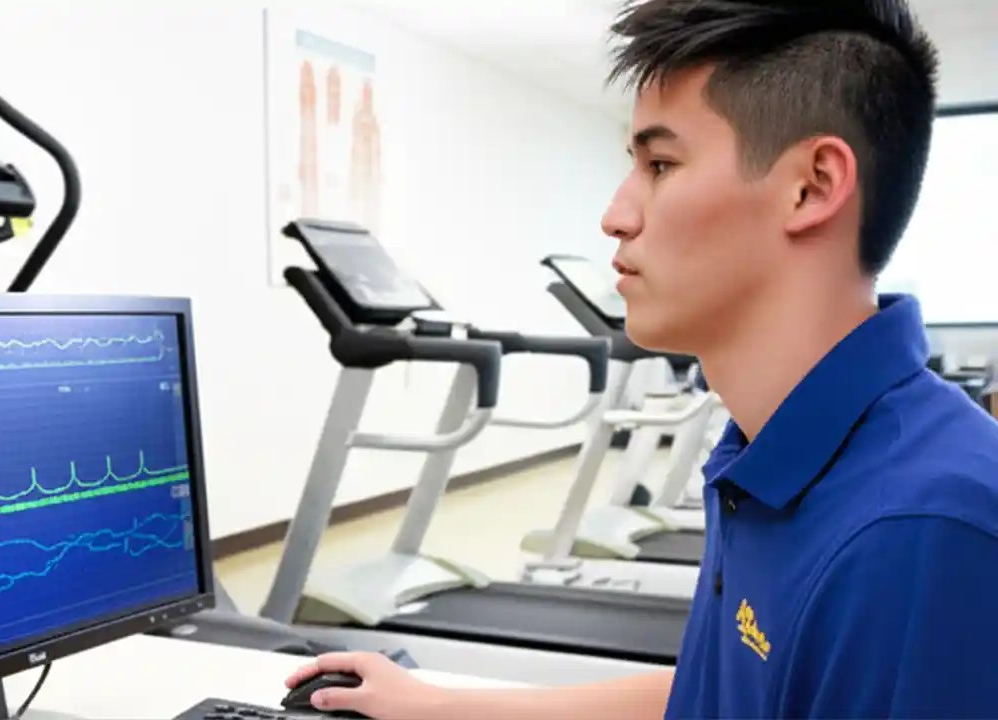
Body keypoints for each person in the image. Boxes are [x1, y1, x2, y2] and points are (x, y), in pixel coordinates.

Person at [284, 1, 998, 718]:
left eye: (661, 164)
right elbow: (729, 693)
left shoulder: (923, 535)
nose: (616, 214)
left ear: (810, 187)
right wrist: (436, 706)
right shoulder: (763, 444)